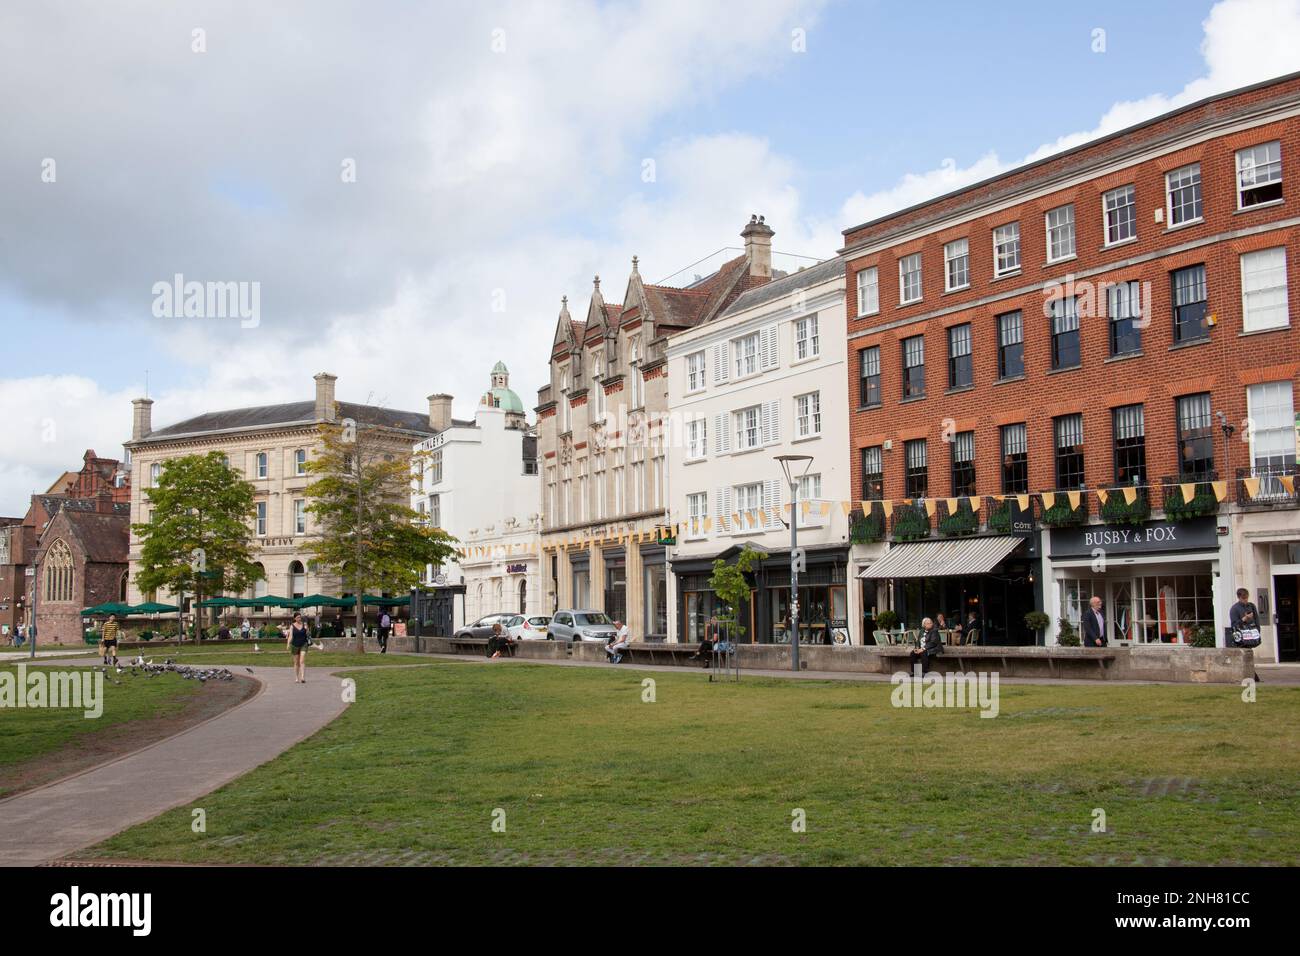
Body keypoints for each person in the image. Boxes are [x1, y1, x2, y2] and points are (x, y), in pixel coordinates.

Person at [286, 613, 311, 682]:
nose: (299, 619)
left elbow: (308, 634)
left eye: (300, 617)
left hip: (304, 644)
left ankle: (302, 677)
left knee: (302, 660)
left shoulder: (304, 624)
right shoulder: (292, 626)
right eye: (297, 617)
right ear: (295, 618)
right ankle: (297, 677)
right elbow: (291, 636)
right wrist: (288, 644)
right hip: (295, 645)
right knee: (296, 662)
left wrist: (307, 628)